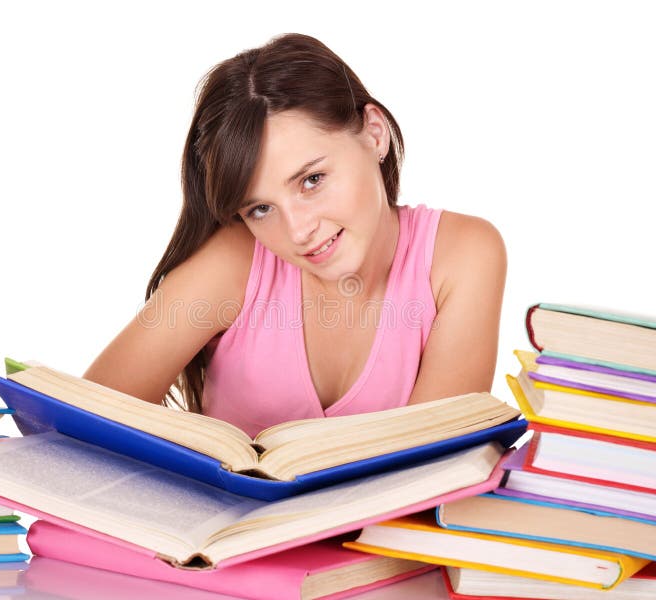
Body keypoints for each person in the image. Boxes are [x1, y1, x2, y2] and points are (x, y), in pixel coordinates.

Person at [83, 33, 507, 437]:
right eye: (261, 209)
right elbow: (84, 425)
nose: (298, 231)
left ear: (374, 134)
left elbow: (433, 475)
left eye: (312, 180)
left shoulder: (462, 256)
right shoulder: (234, 263)